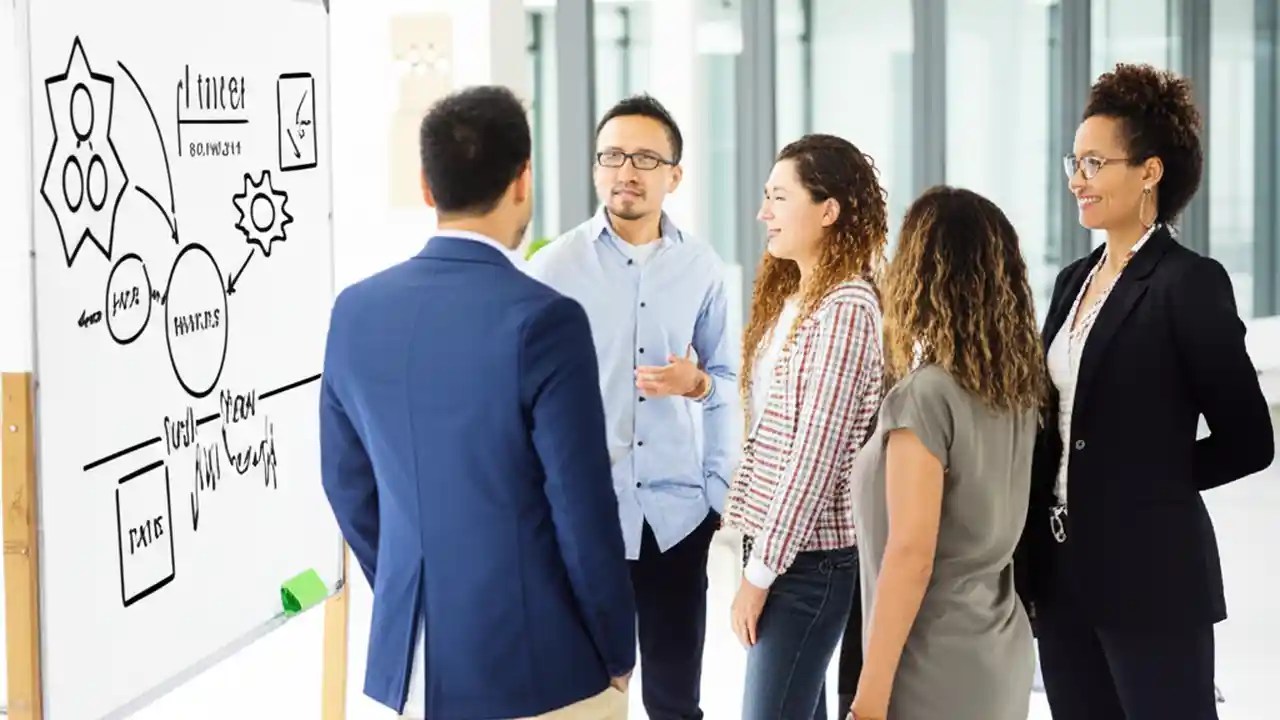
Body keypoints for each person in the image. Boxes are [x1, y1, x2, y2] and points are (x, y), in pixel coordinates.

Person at [319, 85, 636, 720]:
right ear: (523, 181)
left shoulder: (355, 310)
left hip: (413, 668)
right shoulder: (546, 320)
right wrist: (616, 647)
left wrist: (412, 592)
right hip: (539, 668)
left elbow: (347, 486)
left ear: (426, 186)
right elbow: (581, 506)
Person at [1016, 63, 1274, 719]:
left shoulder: (1189, 284)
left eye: (1094, 163)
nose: (1077, 179)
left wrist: (1144, 485)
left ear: (1149, 172)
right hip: (1061, 574)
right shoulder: (1071, 281)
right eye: (1074, 162)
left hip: (1152, 574)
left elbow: (1250, 440)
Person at [527, 93, 737, 720]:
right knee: (584, 700)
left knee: (675, 703)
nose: (627, 171)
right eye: (613, 156)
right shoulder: (553, 269)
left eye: (646, 158)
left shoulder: (701, 267)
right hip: (583, 521)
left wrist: (716, 490)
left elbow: (726, 380)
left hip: (676, 520)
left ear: (675, 175)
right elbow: (519, 394)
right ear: (596, 168)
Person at [849, 187, 1045, 720]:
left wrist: (868, 700)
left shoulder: (924, 397)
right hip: (999, 654)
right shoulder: (1018, 393)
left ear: (920, 275)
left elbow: (910, 556)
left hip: (930, 664)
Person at [722, 133, 887, 720]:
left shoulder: (846, 310)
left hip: (808, 563)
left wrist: (760, 575)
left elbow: (813, 459)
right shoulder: (799, 300)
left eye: (779, 197)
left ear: (828, 210)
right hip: (781, 550)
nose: (763, 212)